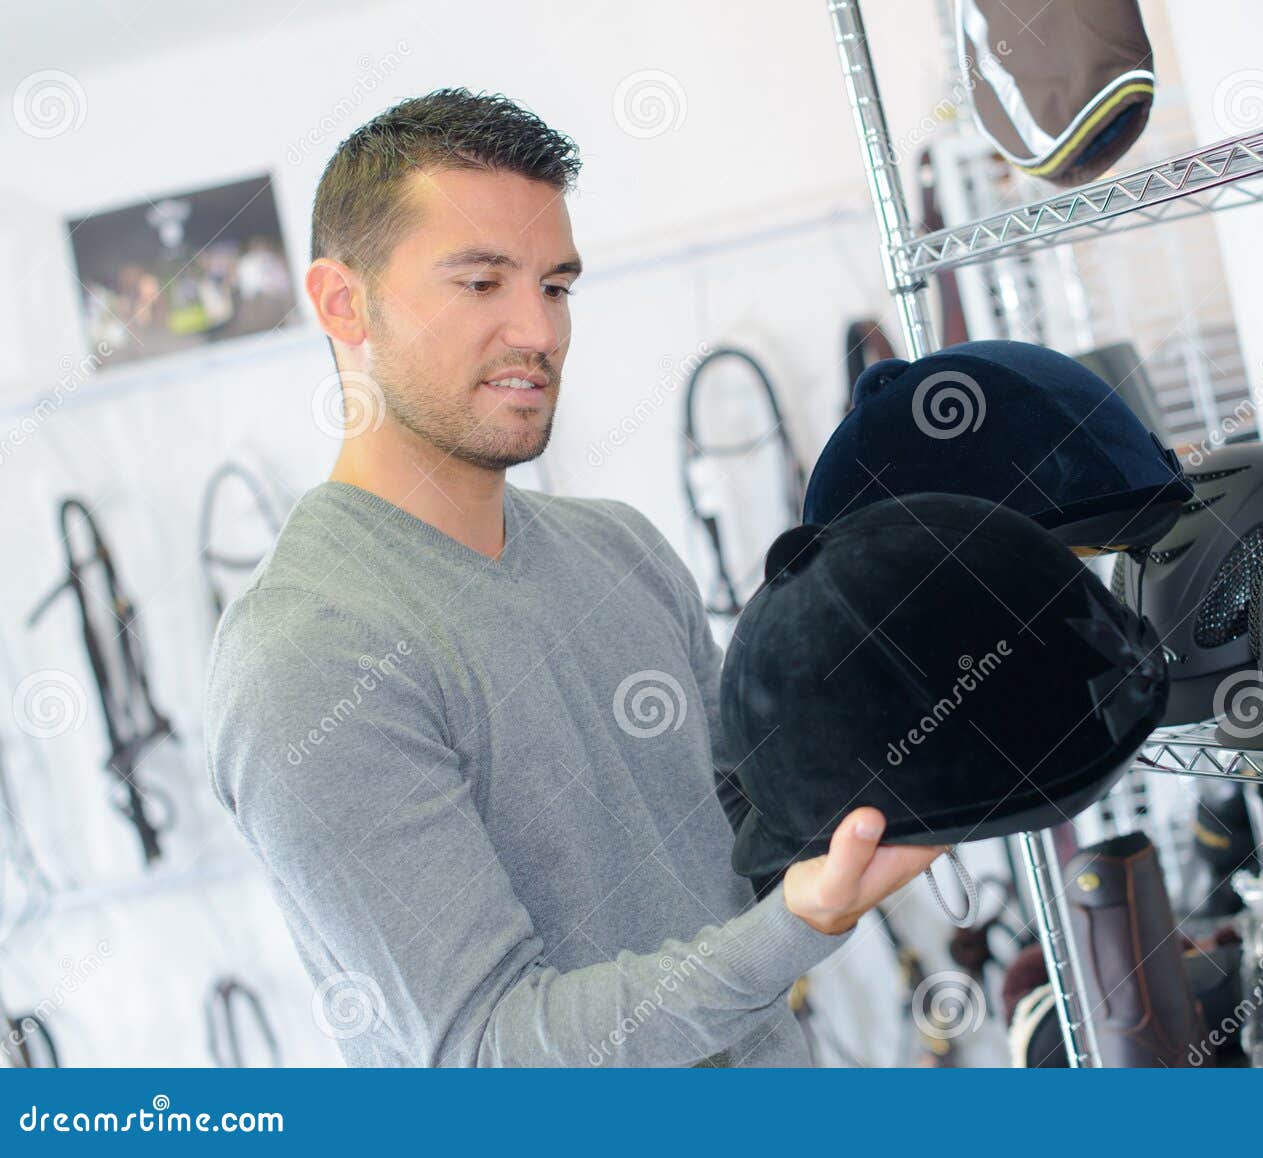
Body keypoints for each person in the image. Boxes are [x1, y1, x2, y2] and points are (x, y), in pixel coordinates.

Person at [204, 88, 944, 1068]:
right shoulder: (308, 655)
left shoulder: (621, 551)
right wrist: (800, 924)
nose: (540, 333)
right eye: (481, 284)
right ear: (344, 303)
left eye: (555, 286)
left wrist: (910, 710)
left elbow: (751, 832)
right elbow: (486, 1048)